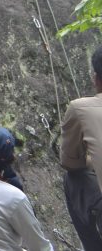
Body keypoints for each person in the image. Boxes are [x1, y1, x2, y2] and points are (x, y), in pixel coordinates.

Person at [59, 47, 102, 251]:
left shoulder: (81, 108)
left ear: (95, 77)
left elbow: (70, 163)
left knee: (73, 178)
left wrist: (92, 160)